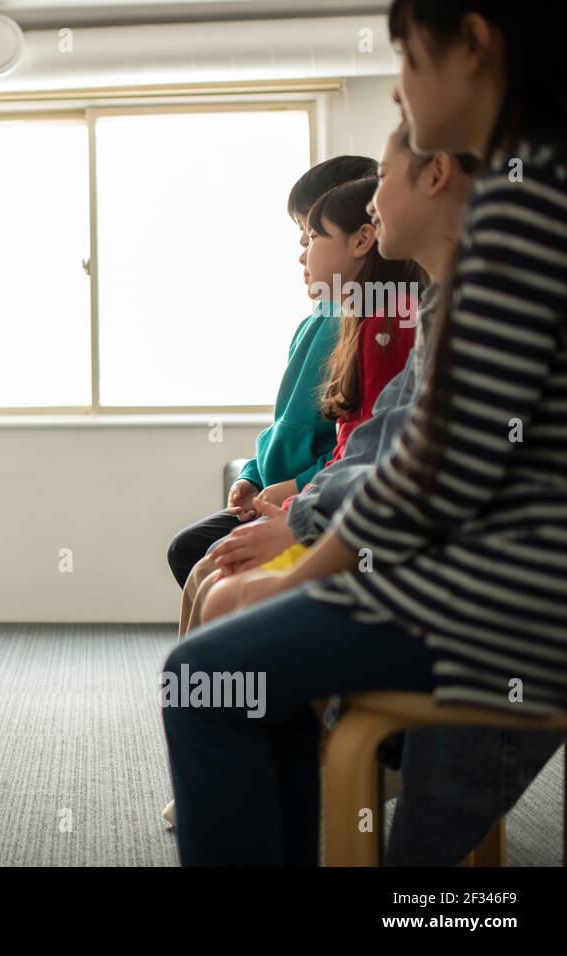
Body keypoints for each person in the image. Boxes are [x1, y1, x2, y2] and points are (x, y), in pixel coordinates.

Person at [163, 0, 567, 865]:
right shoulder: (519, 205)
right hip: (497, 579)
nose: (399, 87)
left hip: (502, 602)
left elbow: (440, 469)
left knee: (204, 679)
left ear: (473, 46)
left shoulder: (521, 209)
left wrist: (298, 571)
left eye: (404, 61)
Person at [165, 156, 376, 588]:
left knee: (206, 560)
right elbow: (284, 423)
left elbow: (354, 447)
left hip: (308, 495)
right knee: (190, 549)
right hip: (281, 490)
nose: (302, 245)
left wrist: (295, 487)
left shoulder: (366, 323)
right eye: (302, 230)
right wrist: (252, 476)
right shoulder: (318, 318)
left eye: (314, 231)